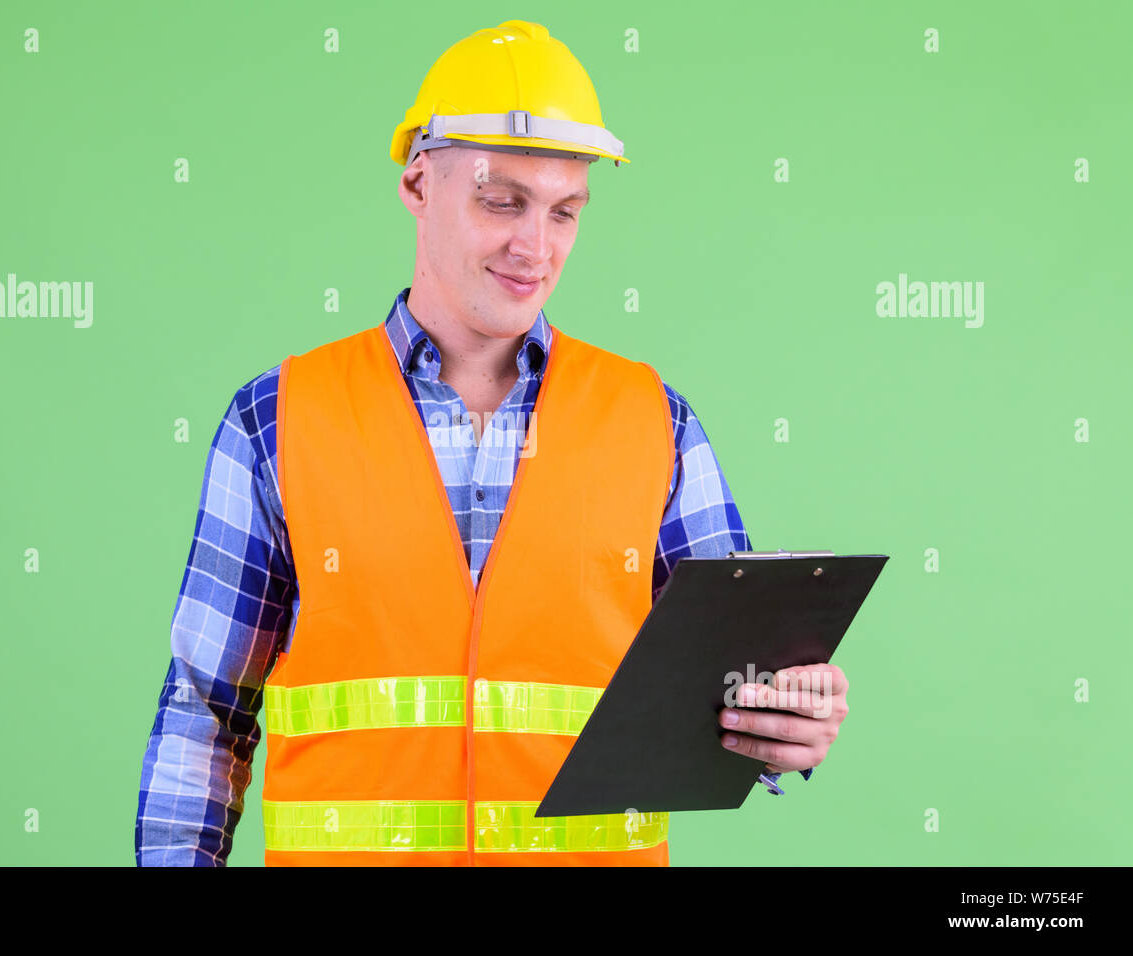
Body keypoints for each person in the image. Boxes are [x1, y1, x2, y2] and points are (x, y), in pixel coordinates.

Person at [135, 19, 848, 867]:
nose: (533, 247)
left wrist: (783, 722)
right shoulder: (276, 419)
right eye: (501, 200)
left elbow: (727, 686)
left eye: (564, 211)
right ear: (417, 184)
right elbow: (205, 713)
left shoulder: (656, 421)